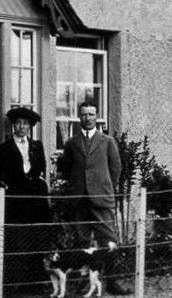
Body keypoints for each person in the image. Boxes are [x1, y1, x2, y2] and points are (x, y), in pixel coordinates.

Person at [57, 101, 128, 294]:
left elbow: (116, 169)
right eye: (84, 115)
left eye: (91, 114)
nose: (87, 118)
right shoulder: (71, 143)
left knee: (110, 241)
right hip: (79, 201)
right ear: (79, 117)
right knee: (82, 243)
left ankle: (113, 282)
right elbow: (66, 169)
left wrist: (104, 188)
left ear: (97, 117)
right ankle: (83, 282)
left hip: (101, 200)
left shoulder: (107, 141)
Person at [0, 106, 53, 294]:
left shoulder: (36, 146)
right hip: (15, 200)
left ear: (30, 126)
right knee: (17, 240)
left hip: (35, 199)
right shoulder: (3, 148)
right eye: (18, 123)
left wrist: (38, 180)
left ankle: (35, 283)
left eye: (25, 124)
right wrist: (3, 184)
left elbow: (41, 167)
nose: (21, 127)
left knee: (36, 238)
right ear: (13, 126)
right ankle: (13, 285)